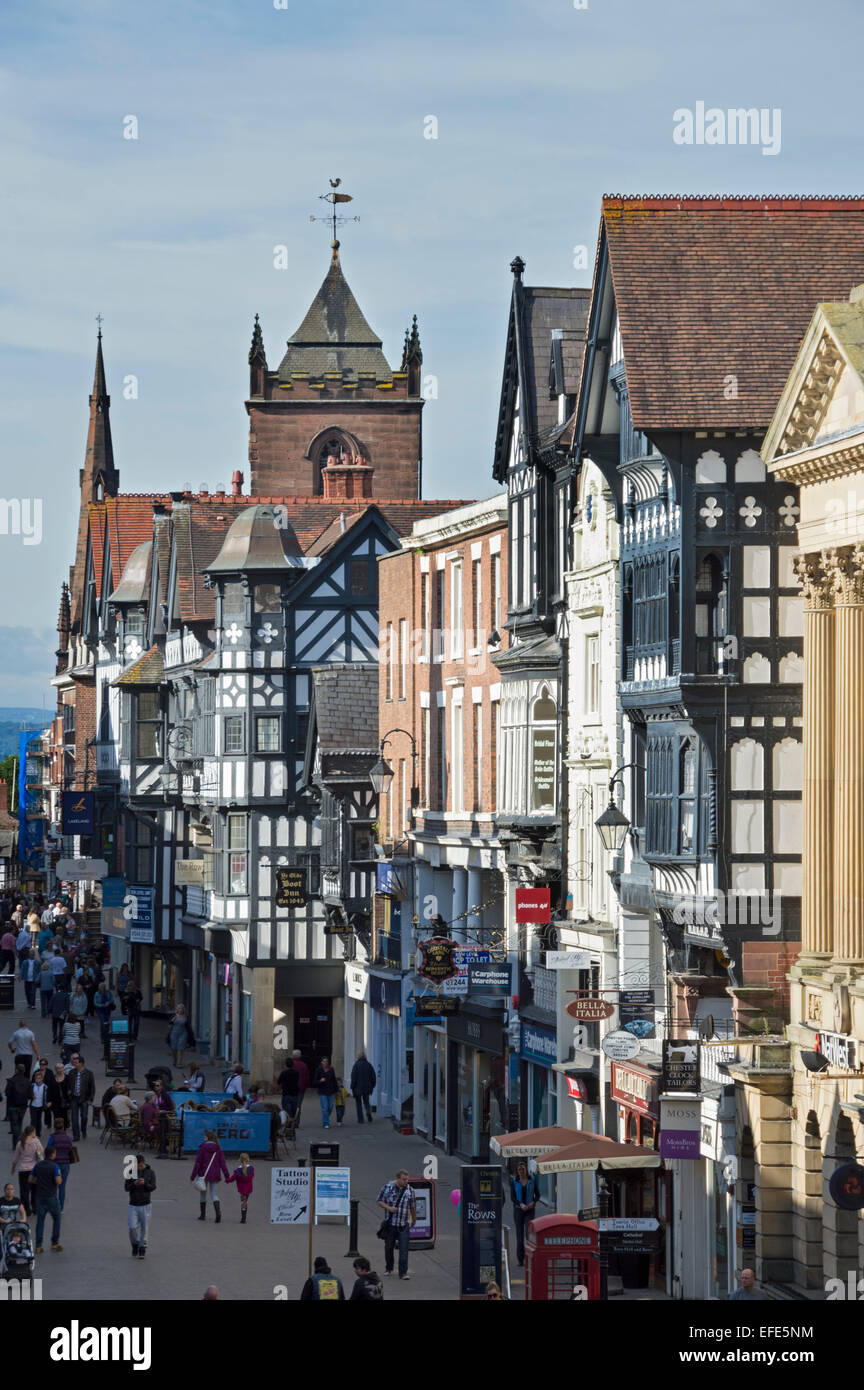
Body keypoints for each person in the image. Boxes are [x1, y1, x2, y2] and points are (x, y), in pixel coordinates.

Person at [376, 1169, 416, 1281]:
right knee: (389, 1248)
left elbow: (412, 1205)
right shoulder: (387, 1187)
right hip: (391, 1224)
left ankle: (403, 1273)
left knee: (404, 1250)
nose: (406, 1181)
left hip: (403, 1224)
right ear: (398, 1178)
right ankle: (389, 1267)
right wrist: (389, 1208)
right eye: (404, 1179)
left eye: (407, 1179)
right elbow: (379, 1200)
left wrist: (414, 1218)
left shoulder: (410, 1190)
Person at [190, 1130, 230, 1222]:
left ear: (207, 1138)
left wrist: (192, 1176)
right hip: (215, 1174)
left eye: (204, 1137)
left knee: (202, 1194)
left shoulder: (202, 1148)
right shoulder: (218, 1148)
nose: (203, 1138)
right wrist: (227, 1176)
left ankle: (202, 1215)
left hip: (203, 1174)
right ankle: (218, 1213)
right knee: (214, 1194)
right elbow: (223, 1163)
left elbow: (197, 1164)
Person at [30, 1144, 63, 1253]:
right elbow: (58, 1181)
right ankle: (54, 1242)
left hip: (40, 1197)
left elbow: (31, 1179)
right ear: (53, 1155)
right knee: (57, 1219)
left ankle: (39, 1245)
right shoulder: (55, 1166)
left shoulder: (38, 1165)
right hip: (51, 1197)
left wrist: (39, 1182)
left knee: (40, 1221)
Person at [126, 1153, 156, 1258]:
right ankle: (135, 1244)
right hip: (133, 1204)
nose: (138, 1168)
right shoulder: (130, 1172)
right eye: (136, 1166)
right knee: (132, 1227)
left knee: (144, 1227)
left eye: (140, 1166)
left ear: (143, 1163)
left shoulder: (150, 1173)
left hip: (145, 1204)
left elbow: (153, 1187)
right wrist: (134, 1184)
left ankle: (142, 1248)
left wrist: (145, 1184)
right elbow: (126, 1188)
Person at [11, 1125, 44, 1216]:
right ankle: (35, 1207)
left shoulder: (20, 1142)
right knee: (35, 1189)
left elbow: (15, 1158)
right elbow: (42, 1151)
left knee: (24, 1190)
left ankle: (26, 1209)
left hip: (23, 1170)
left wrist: (13, 1168)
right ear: (32, 1132)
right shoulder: (36, 1142)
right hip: (34, 1169)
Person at [510, 1161, 537, 1267]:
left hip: (530, 1210)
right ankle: (520, 1260)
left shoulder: (532, 1180)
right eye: (519, 1169)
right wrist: (520, 1204)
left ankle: (531, 1257)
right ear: (517, 1171)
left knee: (529, 1234)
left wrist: (533, 1202)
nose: (521, 1171)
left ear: (526, 1170)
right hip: (518, 1210)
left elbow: (537, 1195)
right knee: (519, 1236)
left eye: (522, 1169)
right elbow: (512, 1197)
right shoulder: (514, 1181)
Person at [48, 1118, 75, 1211]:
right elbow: (71, 1148)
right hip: (65, 1164)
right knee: (62, 1187)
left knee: (54, 1186)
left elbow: (48, 1149)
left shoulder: (52, 1137)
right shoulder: (68, 1137)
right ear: (63, 1127)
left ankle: (54, 1206)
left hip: (54, 1164)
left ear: (54, 1127)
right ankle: (61, 1208)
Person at [68, 1054, 95, 1142]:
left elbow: (92, 1087)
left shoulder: (89, 1073)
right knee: (74, 1118)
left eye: (76, 1062)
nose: (74, 1064)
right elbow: (68, 1084)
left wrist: (90, 1099)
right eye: (74, 1062)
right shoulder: (72, 1072)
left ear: (81, 1063)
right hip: (74, 1098)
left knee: (84, 1117)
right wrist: (69, 1092)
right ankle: (76, 1135)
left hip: (84, 1099)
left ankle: (83, 1130)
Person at [5, 1063, 31, 1146]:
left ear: (16, 1070)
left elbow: (7, 1093)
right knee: (19, 1122)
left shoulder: (11, 1081)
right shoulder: (27, 1081)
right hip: (23, 1106)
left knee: (15, 1123)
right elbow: (30, 1095)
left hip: (13, 1106)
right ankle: (18, 1142)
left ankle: (17, 1142)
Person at [225, 1152, 255, 1223]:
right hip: (249, 1188)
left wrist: (227, 1180)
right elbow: (252, 1176)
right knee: (246, 1202)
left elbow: (232, 1179)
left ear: (240, 1160)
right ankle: (244, 1217)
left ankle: (243, 1218)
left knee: (243, 1202)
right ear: (248, 1159)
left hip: (242, 1189)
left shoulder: (238, 1170)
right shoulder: (251, 1169)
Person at [350, 1050, 376, 1123]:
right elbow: (373, 1077)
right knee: (366, 1102)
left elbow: (353, 1077)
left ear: (358, 1057)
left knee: (358, 1103)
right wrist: (372, 1086)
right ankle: (368, 1111)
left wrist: (352, 1086)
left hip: (358, 1088)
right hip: (367, 1087)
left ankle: (360, 1119)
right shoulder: (369, 1065)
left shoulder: (356, 1065)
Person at [314, 1056, 338, 1129]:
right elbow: (314, 1081)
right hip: (322, 1091)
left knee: (330, 1107)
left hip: (331, 1091)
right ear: (321, 1062)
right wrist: (320, 1081)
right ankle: (326, 1123)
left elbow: (334, 1080)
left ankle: (326, 1117)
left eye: (326, 1061)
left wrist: (337, 1090)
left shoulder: (331, 1069)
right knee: (325, 1108)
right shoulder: (319, 1070)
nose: (325, 1063)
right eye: (324, 1061)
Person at [46, 1063, 70, 1128]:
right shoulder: (52, 1078)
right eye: (58, 1068)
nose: (60, 1070)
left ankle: (63, 1132)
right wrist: (49, 1101)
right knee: (56, 1118)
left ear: (63, 1069)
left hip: (64, 1101)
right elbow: (49, 1090)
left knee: (64, 1117)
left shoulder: (67, 1078)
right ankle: (57, 1132)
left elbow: (70, 1088)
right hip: (55, 1102)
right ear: (56, 1070)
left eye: (61, 1068)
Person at [29, 1068, 48, 1137]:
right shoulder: (32, 1085)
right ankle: (32, 1132)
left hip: (40, 1106)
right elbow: (28, 1094)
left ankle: (38, 1132)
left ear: (42, 1079)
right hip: (33, 1105)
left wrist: (46, 1103)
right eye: (37, 1078)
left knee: (38, 1120)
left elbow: (46, 1096)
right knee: (33, 1120)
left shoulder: (45, 1086)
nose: (38, 1080)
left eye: (39, 1078)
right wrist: (31, 1096)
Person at [50, 981, 70, 1045]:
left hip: (55, 1013)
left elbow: (51, 1004)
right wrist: (67, 1012)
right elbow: (67, 1005)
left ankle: (55, 1036)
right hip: (62, 1014)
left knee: (54, 1025)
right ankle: (60, 1038)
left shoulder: (54, 995)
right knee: (61, 1026)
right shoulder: (66, 995)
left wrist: (49, 1011)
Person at [291, 1049, 310, 1117]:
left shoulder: (290, 1064)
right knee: (298, 1105)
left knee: (290, 1104)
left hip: (291, 1088)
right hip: (300, 1088)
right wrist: (306, 1086)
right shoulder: (304, 1065)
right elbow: (307, 1077)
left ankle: (290, 1120)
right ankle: (296, 1122)